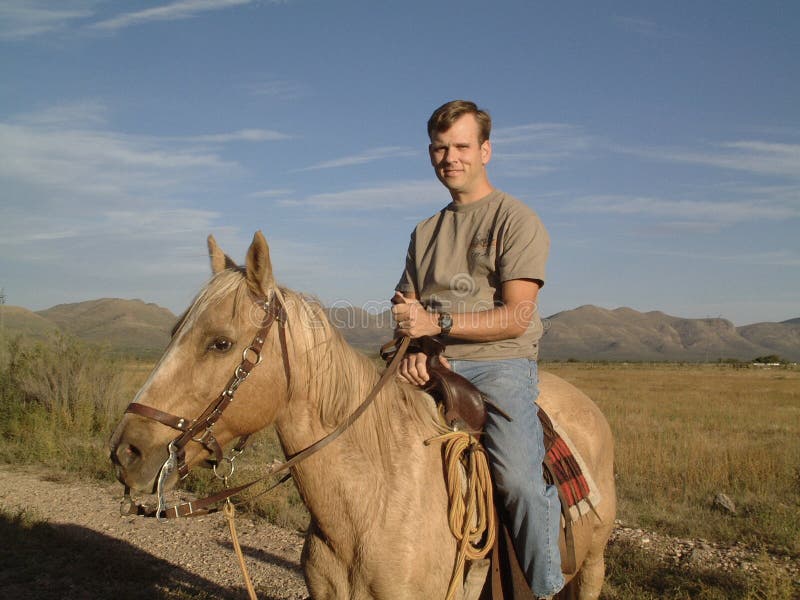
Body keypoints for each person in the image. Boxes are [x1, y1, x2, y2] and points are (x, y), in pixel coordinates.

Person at [391, 100, 564, 599]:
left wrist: (438, 321)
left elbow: (518, 315)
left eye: (462, 146)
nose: (451, 158)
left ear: (485, 151)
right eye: (441, 148)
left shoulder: (515, 219)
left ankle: (547, 587)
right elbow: (406, 304)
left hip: (499, 366)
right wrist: (415, 342)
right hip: (432, 364)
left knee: (519, 484)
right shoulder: (424, 231)